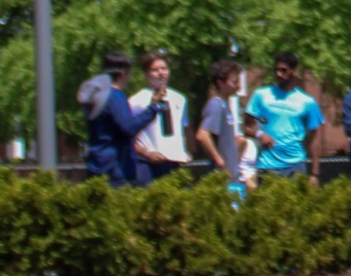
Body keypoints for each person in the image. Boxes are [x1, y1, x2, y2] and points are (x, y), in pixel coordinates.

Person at [78, 52, 162, 187]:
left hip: (96, 162)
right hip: (114, 168)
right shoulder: (116, 97)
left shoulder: (98, 97)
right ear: (123, 74)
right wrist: (152, 108)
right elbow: (129, 127)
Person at [245, 52, 323, 183]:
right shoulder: (261, 95)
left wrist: (315, 174)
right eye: (276, 70)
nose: (278, 74)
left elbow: (315, 138)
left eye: (283, 70)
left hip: (295, 166)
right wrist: (259, 134)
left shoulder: (307, 102)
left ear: (294, 71)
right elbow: (246, 127)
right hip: (267, 166)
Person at [128, 53, 192, 185]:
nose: (161, 73)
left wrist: (185, 151)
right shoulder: (136, 101)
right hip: (149, 163)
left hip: (174, 161)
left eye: (164, 68)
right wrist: (147, 153)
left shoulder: (179, 99)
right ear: (146, 73)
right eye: (155, 70)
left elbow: (183, 129)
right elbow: (128, 135)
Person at [195, 60, 245, 191]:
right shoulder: (216, 105)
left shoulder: (225, 105)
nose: (238, 86)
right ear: (220, 83)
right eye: (234, 82)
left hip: (231, 177)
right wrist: (219, 160)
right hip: (221, 177)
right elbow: (202, 135)